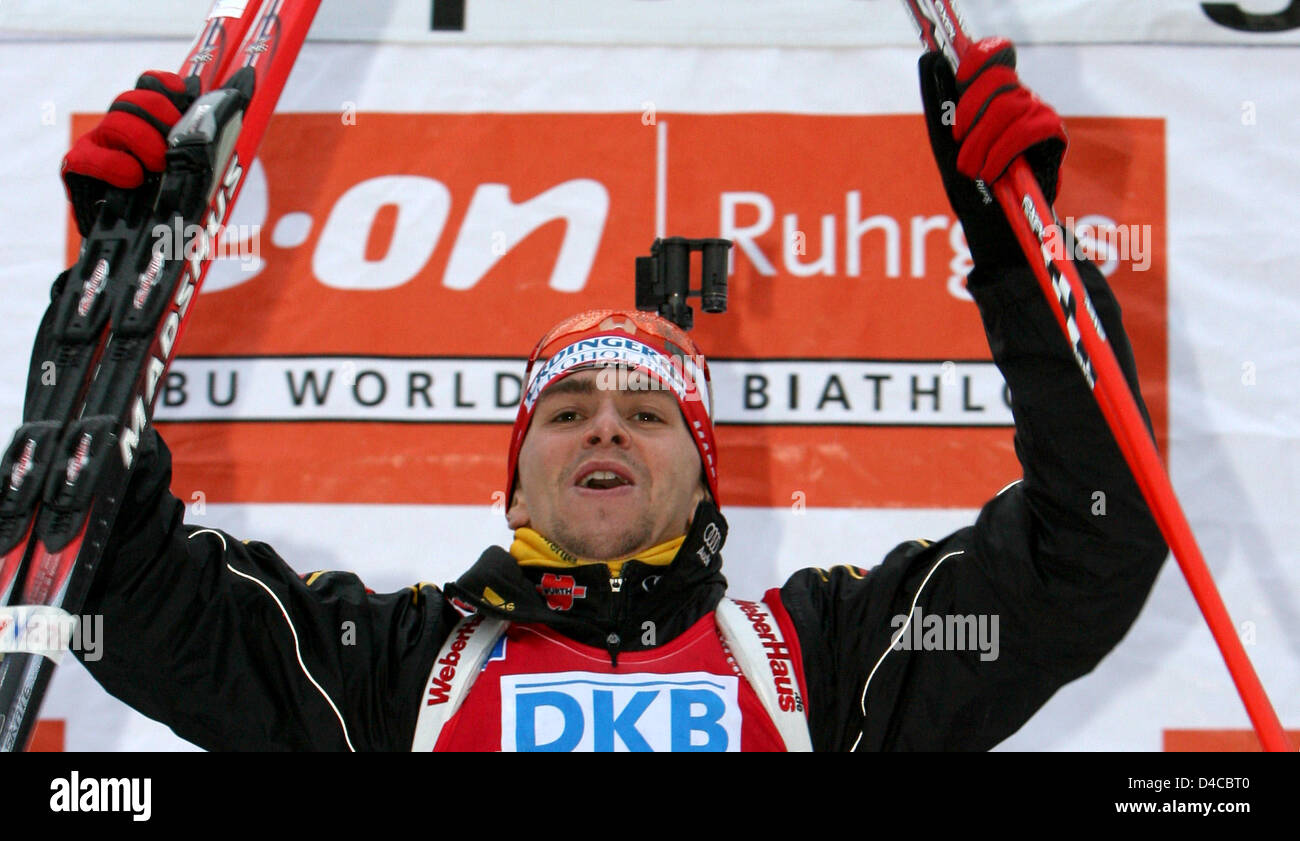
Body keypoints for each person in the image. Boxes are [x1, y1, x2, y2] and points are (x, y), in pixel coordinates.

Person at [42, 39, 1166, 751]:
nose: (606, 424)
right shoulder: (375, 672)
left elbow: (1090, 544)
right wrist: (112, 292)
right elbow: (120, 590)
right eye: (568, 409)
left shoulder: (835, 662)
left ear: (701, 475)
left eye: (647, 409)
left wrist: (1025, 263)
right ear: (518, 484)